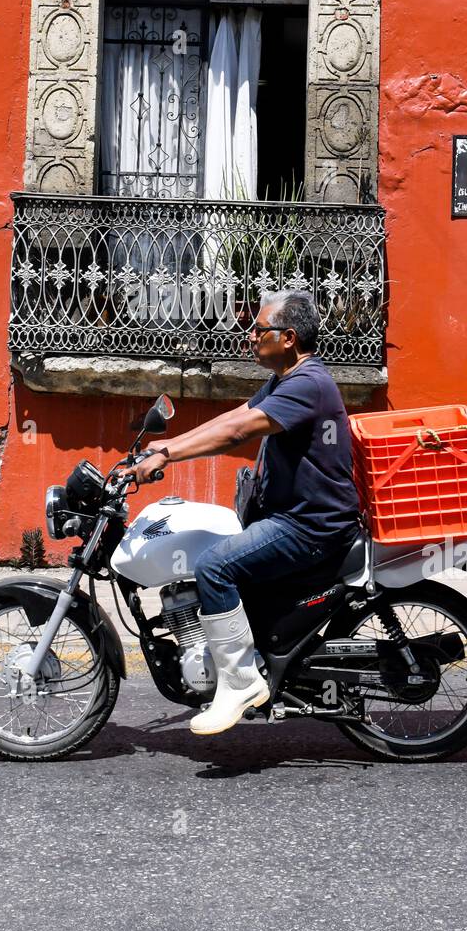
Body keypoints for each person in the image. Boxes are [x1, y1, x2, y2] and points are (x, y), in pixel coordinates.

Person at [124, 289, 362, 736]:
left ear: (288, 338)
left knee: (214, 567)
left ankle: (239, 684)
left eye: (259, 330)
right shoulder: (286, 380)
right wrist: (163, 446)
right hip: (294, 518)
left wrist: (168, 456)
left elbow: (236, 432)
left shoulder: (307, 385)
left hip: (308, 526)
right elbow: (234, 416)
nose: (250, 337)